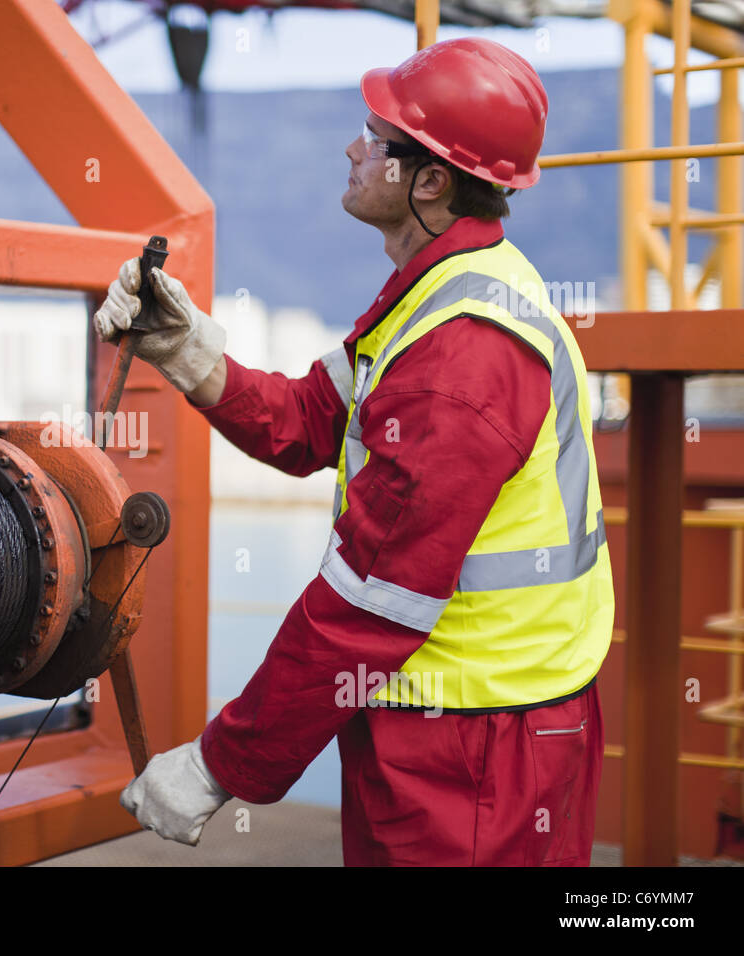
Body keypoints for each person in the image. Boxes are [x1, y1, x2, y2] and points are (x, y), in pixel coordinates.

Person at [96, 36, 614, 866]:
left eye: (374, 138)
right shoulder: (441, 292)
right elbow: (310, 420)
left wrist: (217, 764)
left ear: (429, 182)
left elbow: (368, 605)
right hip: (463, 729)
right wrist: (189, 353)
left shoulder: (460, 358)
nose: (351, 148)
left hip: (475, 753)